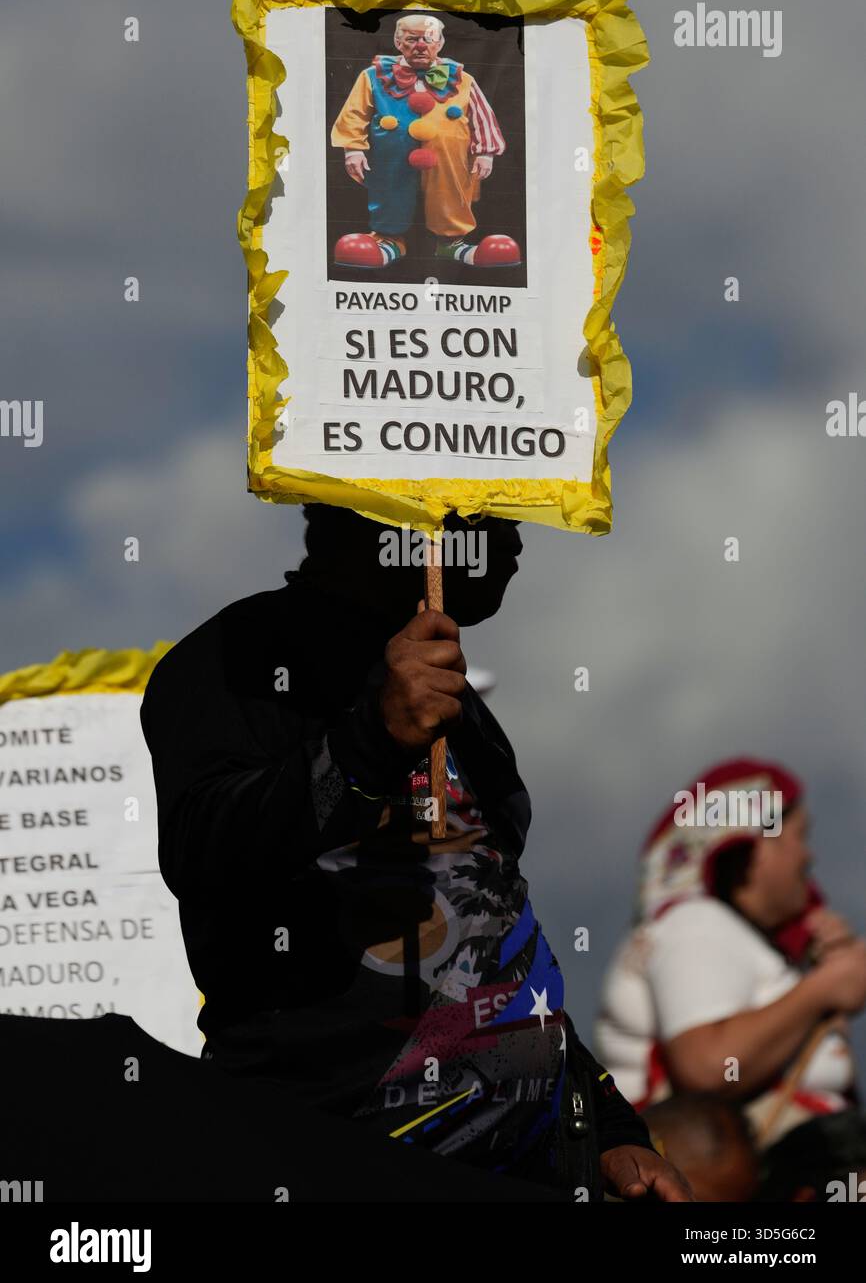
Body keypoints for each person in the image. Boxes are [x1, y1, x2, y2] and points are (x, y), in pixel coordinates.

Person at [140, 504, 691, 1201]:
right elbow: (202, 850)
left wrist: (609, 1131)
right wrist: (369, 742)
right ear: (399, 517)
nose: (517, 536)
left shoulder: (457, 696)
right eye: (491, 512)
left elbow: (495, 934)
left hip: (531, 1166)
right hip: (332, 1166)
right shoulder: (238, 658)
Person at [594, 757, 866, 1194]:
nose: (809, 855)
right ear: (754, 847)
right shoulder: (695, 924)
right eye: (800, 836)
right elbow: (710, 1066)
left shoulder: (729, 934)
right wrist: (824, 988)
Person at [330, 13, 520, 269]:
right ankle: (389, 239)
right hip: (391, 158)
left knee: (451, 192)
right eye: (412, 39)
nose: (420, 46)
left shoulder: (462, 79)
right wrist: (353, 148)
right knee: (389, 191)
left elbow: (482, 115)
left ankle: (451, 243)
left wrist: (486, 152)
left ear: (440, 43)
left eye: (428, 39)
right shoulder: (373, 76)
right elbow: (354, 112)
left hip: (450, 159)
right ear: (398, 42)